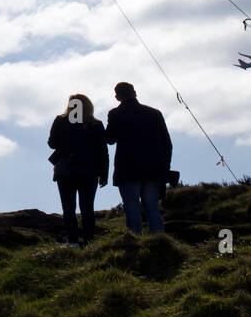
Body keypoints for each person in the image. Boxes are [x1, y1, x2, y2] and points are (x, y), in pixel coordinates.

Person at [105, 82, 172, 234]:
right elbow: (167, 144)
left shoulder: (115, 114)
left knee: (131, 207)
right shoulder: (155, 113)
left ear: (117, 97)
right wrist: (165, 167)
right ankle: (158, 240)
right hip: (153, 169)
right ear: (135, 93)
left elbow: (109, 139)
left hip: (127, 169)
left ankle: (134, 240)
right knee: (152, 207)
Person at [48, 92, 108, 247]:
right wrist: (104, 173)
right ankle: (89, 241)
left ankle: (73, 241)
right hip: (89, 171)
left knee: (68, 208)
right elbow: (102, 151)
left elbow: (52, 143)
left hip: (65, 170)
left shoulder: (60, 121)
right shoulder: (96, 124)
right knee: (87, 207)